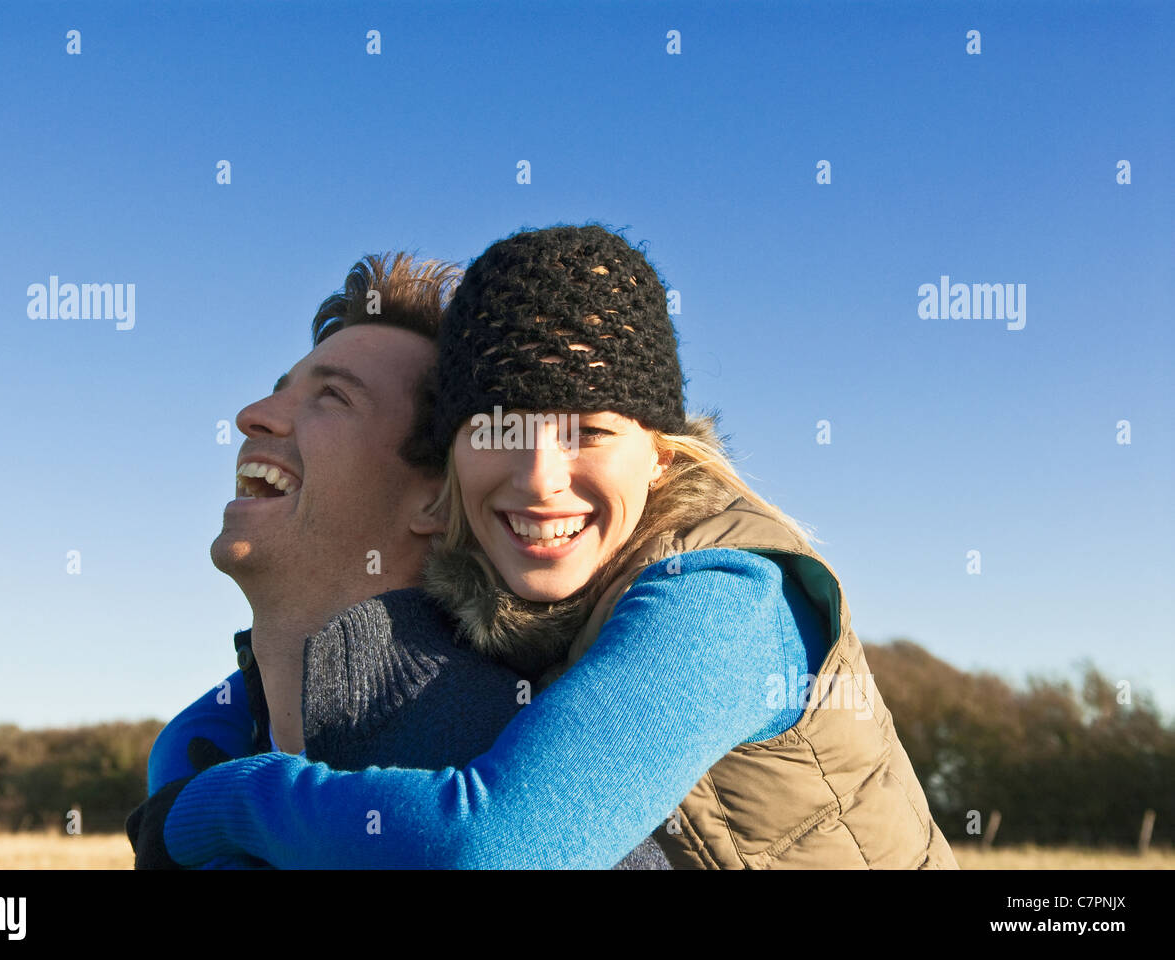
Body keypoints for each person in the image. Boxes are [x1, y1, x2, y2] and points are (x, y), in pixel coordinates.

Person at [132, 224, 958, 869]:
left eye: (590, 430)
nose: (539, 478)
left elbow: (493, 850)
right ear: (454, 463)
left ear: (661, 452)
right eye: (497, 429)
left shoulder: (726, 593)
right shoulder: (524, 610)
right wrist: (186, 755)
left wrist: (224, 802)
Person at [126, 249, 671, 869]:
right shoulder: (209, 744)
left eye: (331, 397)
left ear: (438, 500)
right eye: (282, 390)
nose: (252, 416)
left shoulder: (508, 774)